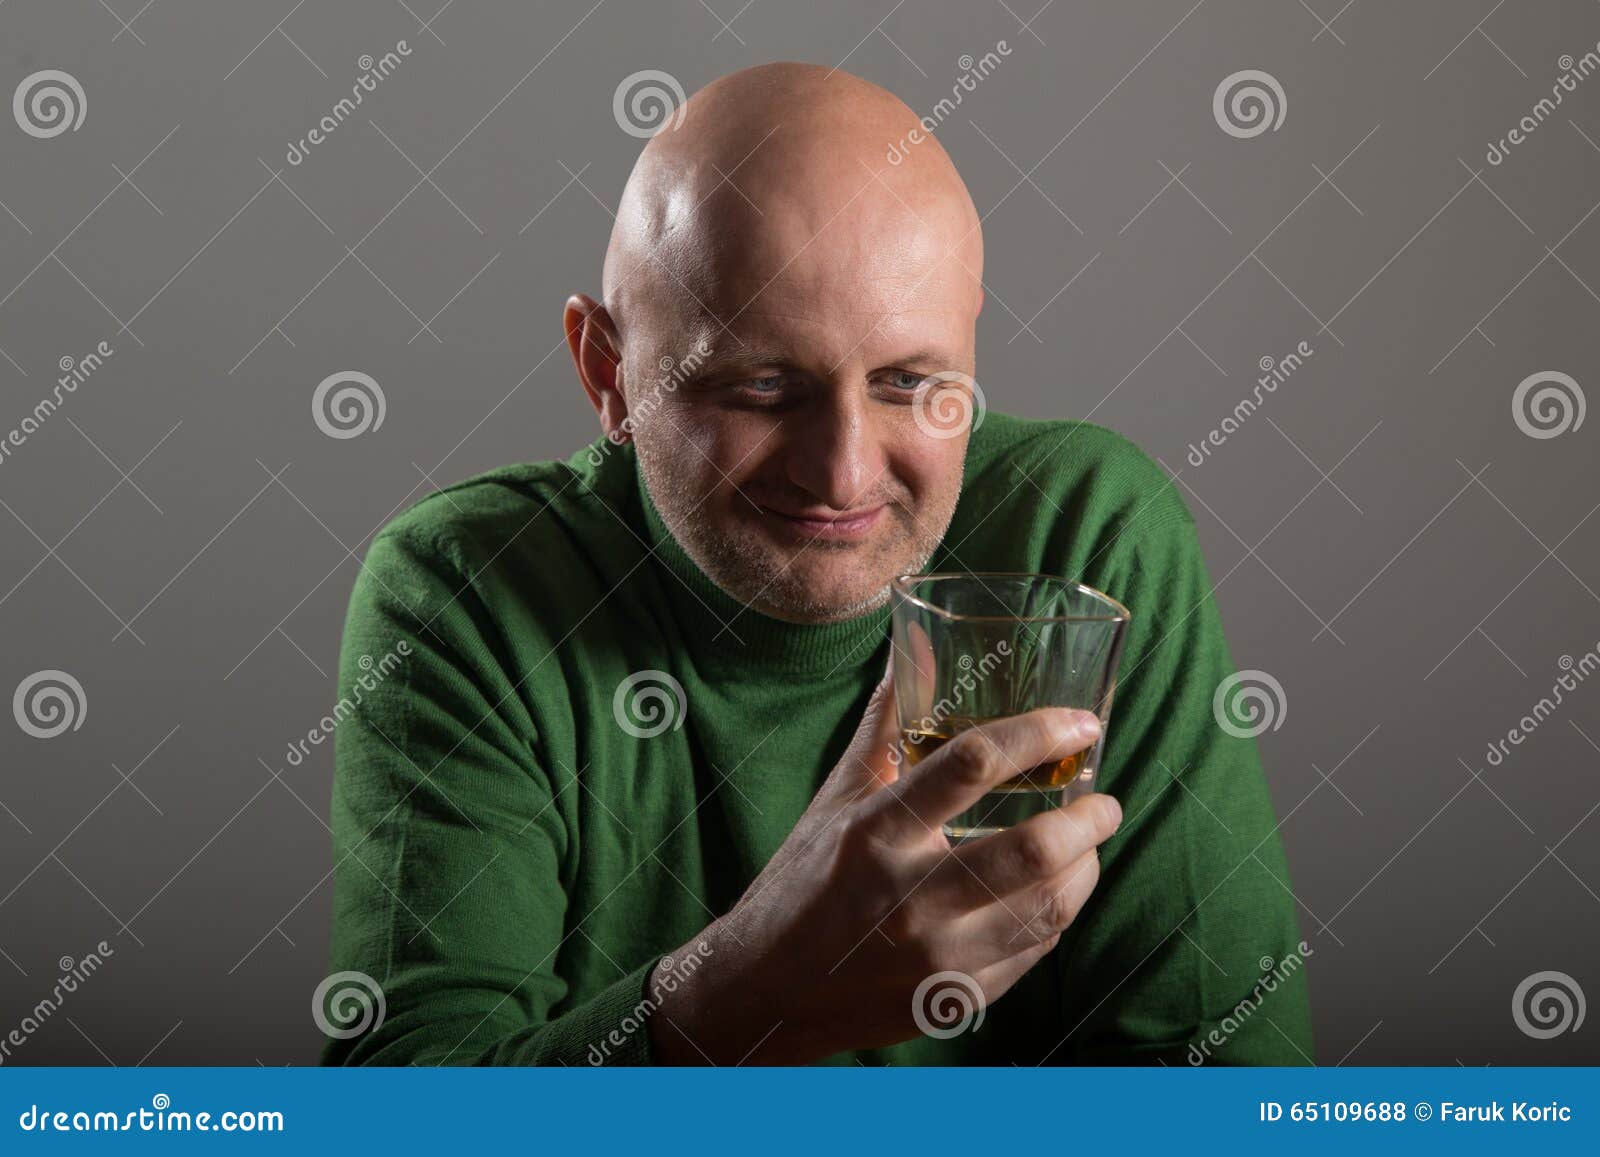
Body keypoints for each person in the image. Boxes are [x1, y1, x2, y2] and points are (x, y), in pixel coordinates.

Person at [322, 62, 1312, 1066]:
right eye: (758, 386)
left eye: (907, 383)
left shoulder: (1082, 538)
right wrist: (750, 990)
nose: (841, 471)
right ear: (606, 373)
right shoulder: (470, 589)